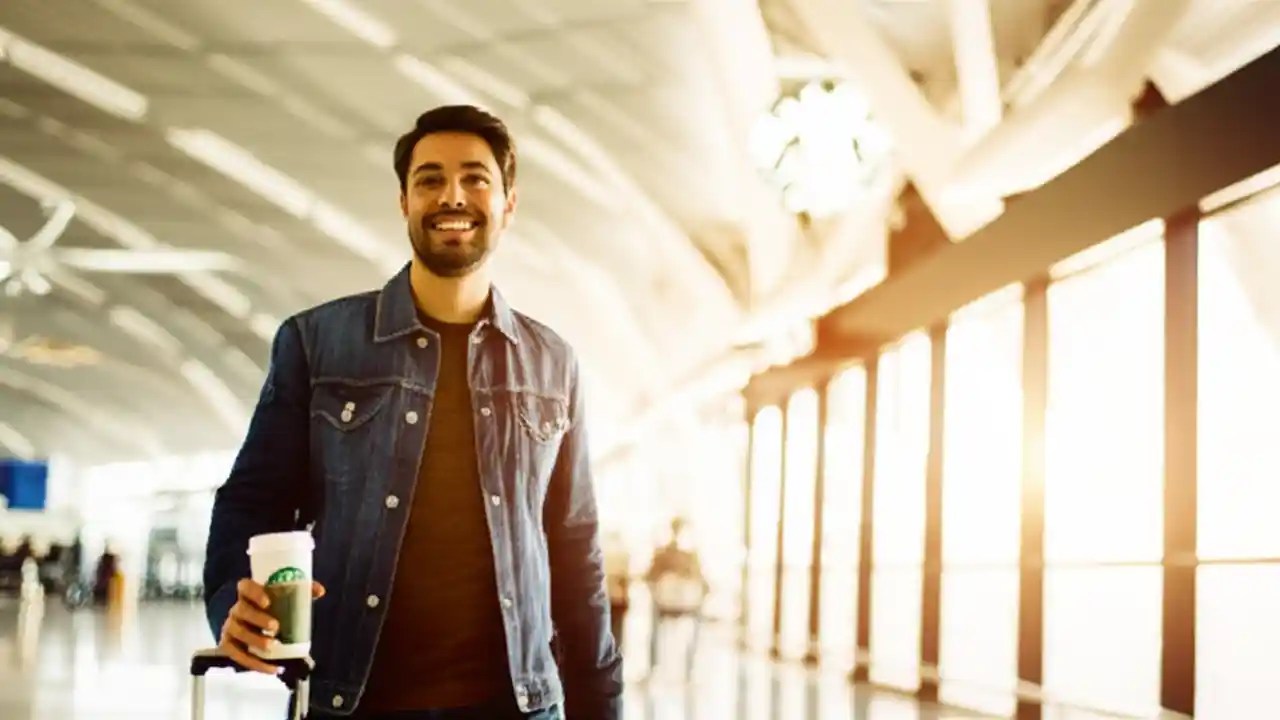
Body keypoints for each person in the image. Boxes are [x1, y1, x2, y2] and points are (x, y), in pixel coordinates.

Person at [203, 105, 622, 720]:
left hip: (518, 706)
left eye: (476, 178)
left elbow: (576, 551)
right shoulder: (318, 344)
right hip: (354, 701)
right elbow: (251, 500)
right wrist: (227, 603)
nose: (452, 195)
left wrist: (603, 707)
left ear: (509, 203)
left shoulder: (553, 364)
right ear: (404, 201)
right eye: (429, 179)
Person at [644, 517, 706, 681]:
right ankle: (687, 668)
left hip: (677, 603)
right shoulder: (677, 555)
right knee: (657, 613)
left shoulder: (678, 554)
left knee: (657, 615)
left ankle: (658, 667)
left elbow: (650, 577)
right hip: (673, 603)